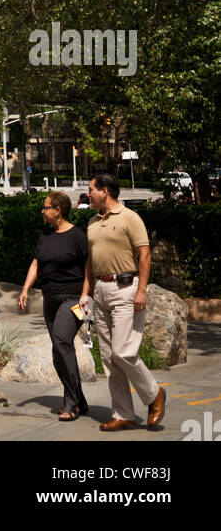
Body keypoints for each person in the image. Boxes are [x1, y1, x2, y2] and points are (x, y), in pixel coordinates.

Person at [79, 173, 165, 431]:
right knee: (109, 357)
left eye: (91, 189)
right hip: (100, 290)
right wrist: (86, 293)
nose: (89, 194)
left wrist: (142, 291)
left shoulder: (130, 217)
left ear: (105, 191)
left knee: (124, 351)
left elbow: (145, 254)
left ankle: (154, 394)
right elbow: (90, 262)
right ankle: (123, 413)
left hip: (125, 289)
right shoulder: (93, 222)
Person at [18, 191, 90, 420]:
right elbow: (36, 264)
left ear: (57, 210)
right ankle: (79, 398)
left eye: (46, 207)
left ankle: (70, 403)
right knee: (58, 351)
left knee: (61, 342)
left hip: (73, 299)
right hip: (50, 298)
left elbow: (90, 268)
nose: (43, 210)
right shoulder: (45, 236)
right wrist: (25, 289)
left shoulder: (78, 237)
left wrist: (86, 296)